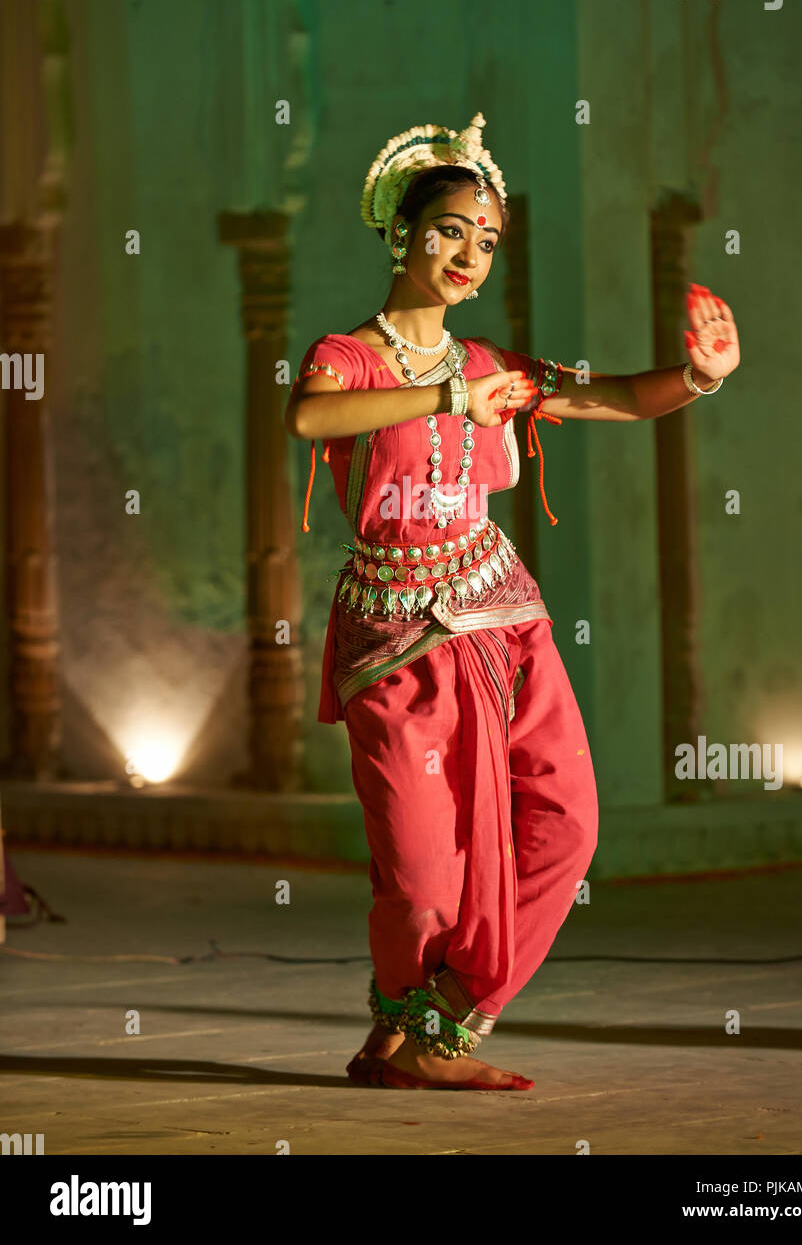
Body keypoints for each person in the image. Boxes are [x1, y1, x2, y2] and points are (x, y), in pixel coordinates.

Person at [284, 112, 740, 1091]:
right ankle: (397, 1024)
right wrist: (444, 400)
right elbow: (310, 414)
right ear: (401, 234)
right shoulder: (349, 355)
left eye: (486, 239)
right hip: (394, 638)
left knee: (568, 822)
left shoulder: (494, 368)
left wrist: (698, 377)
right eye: (449, 227)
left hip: (503, 622)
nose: (468, 251)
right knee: (419, 876)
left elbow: (613, 396)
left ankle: (435, 1032)